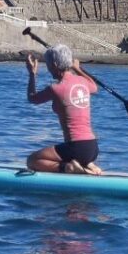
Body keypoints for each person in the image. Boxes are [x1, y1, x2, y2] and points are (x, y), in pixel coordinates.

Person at [26, 44, 103, 175]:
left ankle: (68, 167)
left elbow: (32, 98)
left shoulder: (56, 88)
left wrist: (32, 74)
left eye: (48, 65)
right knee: (74, 152)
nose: (48, 69)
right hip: (92, 147)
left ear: (55, 64)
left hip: (76, 147)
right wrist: (77, 69)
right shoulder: (82, 82)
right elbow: (94, 87)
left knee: (32, 160)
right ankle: (87, 165)